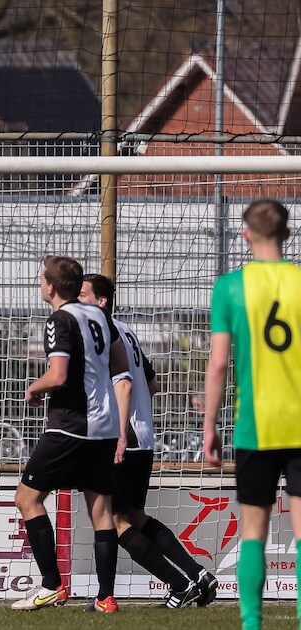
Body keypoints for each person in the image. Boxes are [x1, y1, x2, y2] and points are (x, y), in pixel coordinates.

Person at [80, 274, 215, 608]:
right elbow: (152, 384)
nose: (76, 300)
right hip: (144, 437)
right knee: (136, 516)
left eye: (82, 295)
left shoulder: (107, 332)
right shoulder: (128, 331)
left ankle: (179, 584)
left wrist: (119, 430)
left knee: (115, 521)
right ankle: (198, 574)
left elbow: (124, 386)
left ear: (102, 302)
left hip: (123, 439)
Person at [11, 256, 132, 613]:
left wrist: (34, 388)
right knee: (101, 511)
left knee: (27, 498)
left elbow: (59, 375)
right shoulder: (98, 315)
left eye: (41, 278)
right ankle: (105, 597)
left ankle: (51, 585)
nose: (39, 282)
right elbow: (120, 364)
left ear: (50, 286)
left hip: (70, 426)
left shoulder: (59, 319)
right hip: (105, 426)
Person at [203, 199, 301, 630]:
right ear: (287, 234)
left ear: (245, 234)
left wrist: (208, 424)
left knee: (253, 535)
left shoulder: (229, 287)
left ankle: (251, 625)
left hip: (254, 427)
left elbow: (219, 363)